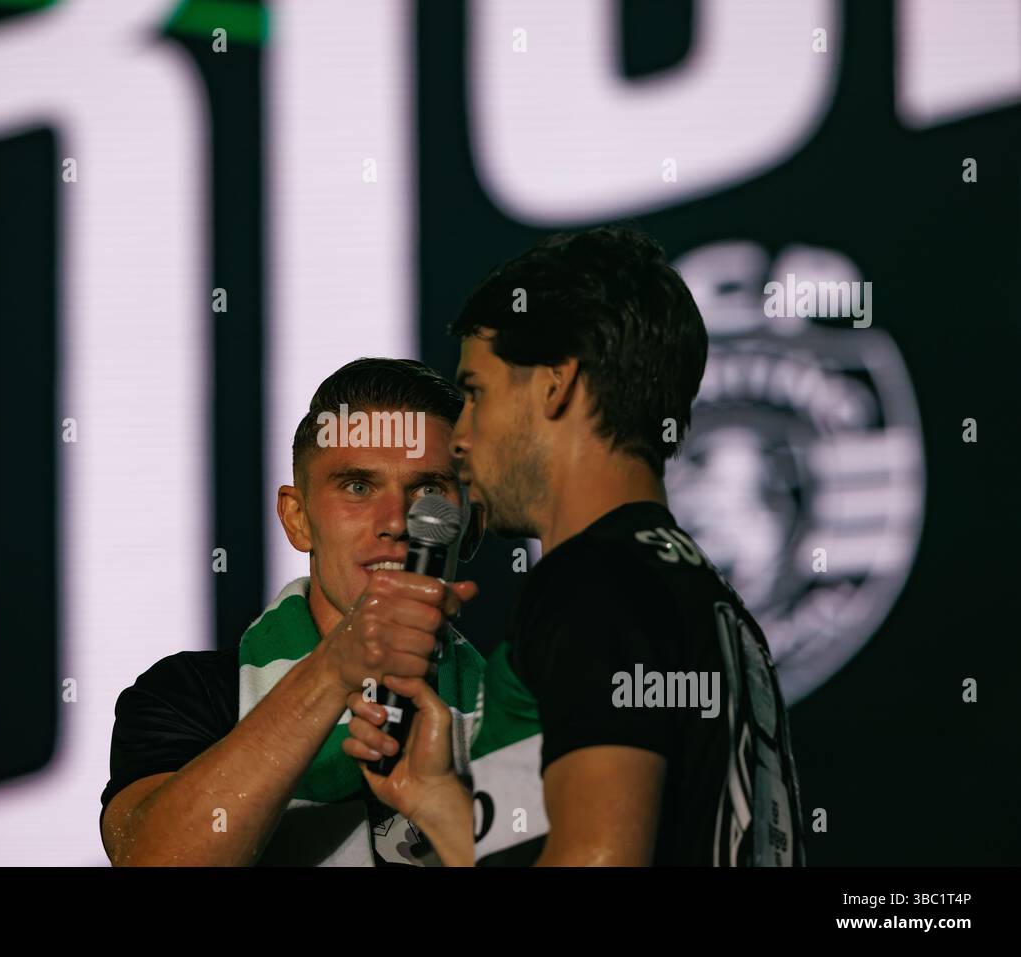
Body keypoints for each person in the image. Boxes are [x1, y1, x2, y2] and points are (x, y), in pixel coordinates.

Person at [342, 227, 806, 865]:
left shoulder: (592, 584)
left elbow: (599, 858)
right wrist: (437, 799)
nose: (460, 438)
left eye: (476, 393)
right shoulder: (705, 596)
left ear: (555, 384)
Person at [101, 358, 486, 865]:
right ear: (297, 518)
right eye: (358, 487)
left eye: (428, 491)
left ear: (472, 526)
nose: (394, 521)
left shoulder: (529, 703)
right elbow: (154, 860)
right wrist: (334, 668)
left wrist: (450, 812)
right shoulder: (187, 693)